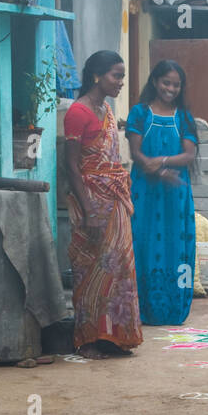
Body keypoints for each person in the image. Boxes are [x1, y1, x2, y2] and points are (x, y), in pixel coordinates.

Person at [63, 51, 142, 357]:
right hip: (91, 200)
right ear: (97, 75)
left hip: (115, 199)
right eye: (116, 75)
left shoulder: (106, 110)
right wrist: (88, 210)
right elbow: (71, 166)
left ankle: (116, 337)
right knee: (90, 270)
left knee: (119, 269)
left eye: (122, 75)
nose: (121, 82)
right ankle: (88, 340)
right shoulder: (78, 112)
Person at [126, 60, 198, 326]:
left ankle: (174, 307)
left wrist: (163, 162)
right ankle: (143, 308)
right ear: (155, 82)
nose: (171, 88)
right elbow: (136, 153)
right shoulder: (140, 113)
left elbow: (188, 155)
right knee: (141, 243)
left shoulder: (184, 117)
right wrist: (156, 170)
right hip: (144, 192)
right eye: (166, 82)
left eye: (176, 84)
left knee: (177, 246)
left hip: (175, 195)